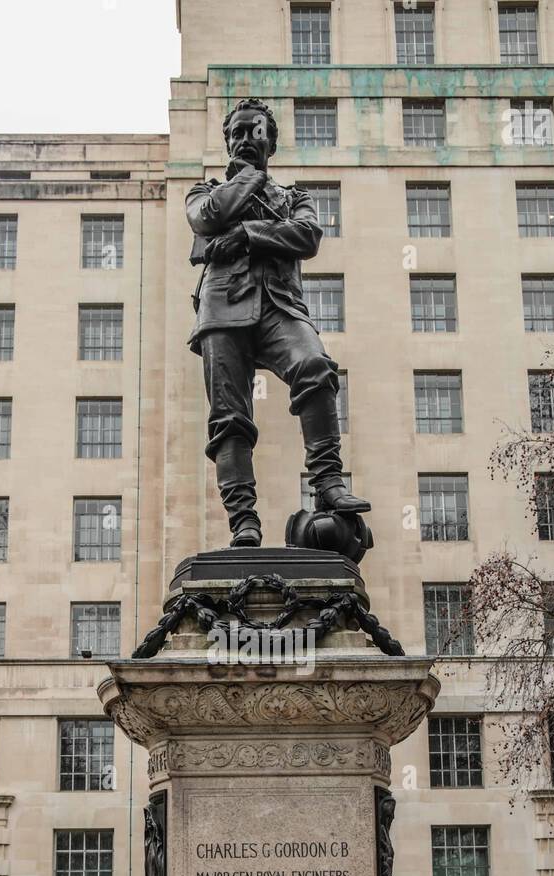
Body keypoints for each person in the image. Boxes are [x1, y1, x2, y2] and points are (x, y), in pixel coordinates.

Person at [186, 97, 371, 547]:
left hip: (280, 308)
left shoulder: (294, 198)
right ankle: (243, 521)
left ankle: (328, 481)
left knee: (315, 366)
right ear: (227, 142)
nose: (245, 140)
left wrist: (248, 233)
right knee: (229, 418)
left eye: (255, 132)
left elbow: (307, 236)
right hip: (223, 309)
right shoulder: (204, 191)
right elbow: (206, 217)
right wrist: (249, 177)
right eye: (237, 133)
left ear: (272, 139)